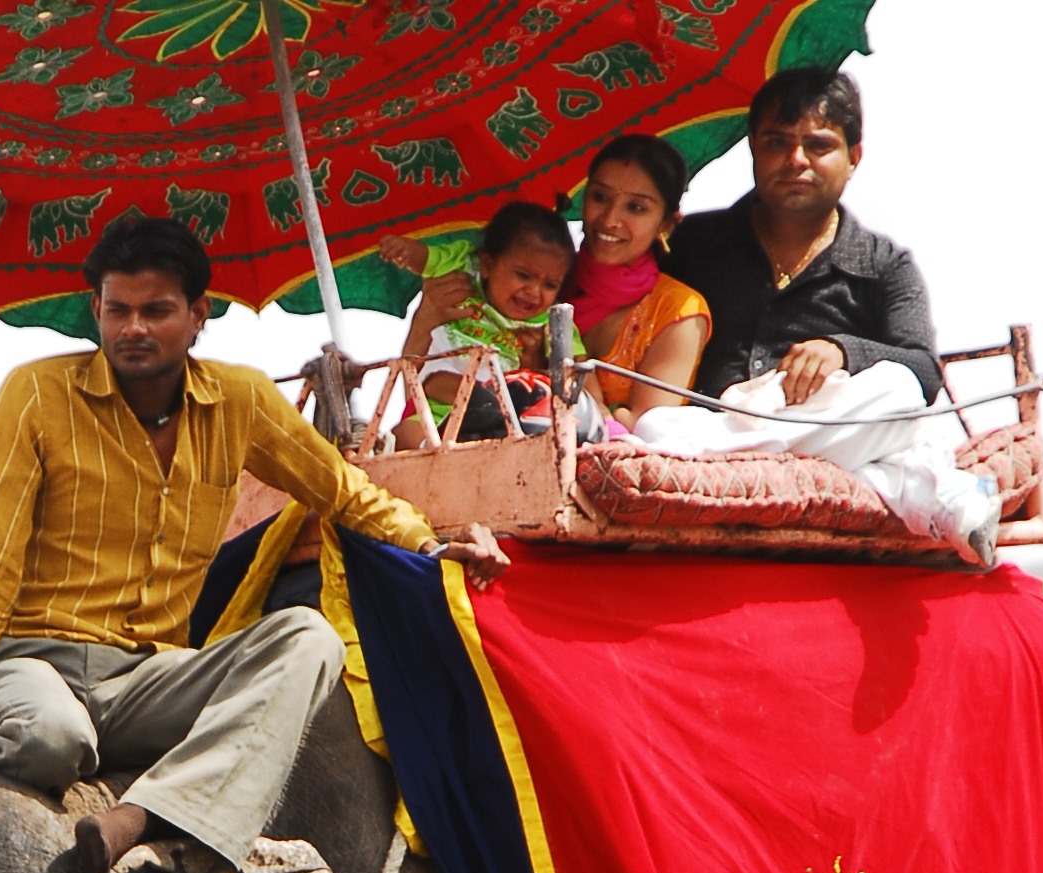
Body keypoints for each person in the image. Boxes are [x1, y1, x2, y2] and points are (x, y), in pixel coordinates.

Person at [0, 217, 508, 873]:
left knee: (308, 639)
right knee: (49, 742)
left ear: (198, 314)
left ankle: (147, 819)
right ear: (96, 310)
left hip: (150, 677)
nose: (132, 328)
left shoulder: (240, 399)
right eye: (116, 310)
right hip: (31, 662)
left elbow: (344, 493)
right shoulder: (36, 395)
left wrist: (429, 547)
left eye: (156, 310)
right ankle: (73, 764)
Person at [657, 67, 1000, 565]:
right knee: (656, 429)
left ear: (852, 157)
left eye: (818, 145)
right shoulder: (693, 245)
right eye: (777, 142)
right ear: (753, 148)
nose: (796, 160)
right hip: (712, 425)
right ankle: (917, 487)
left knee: (900, 393)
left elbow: (924, 373)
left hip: (762, 435)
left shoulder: (883, 265)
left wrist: (842, 351)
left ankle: (762, 450)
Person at [378, 202, 589, 444]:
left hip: (517, 423)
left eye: (550, 285)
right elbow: (430, 258)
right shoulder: (462, 270)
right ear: (487, 265)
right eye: (523, 275)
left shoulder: (553, 322)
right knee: (404, 434)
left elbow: (575, 380)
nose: (533, 291)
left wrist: (535, 364)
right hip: (443, 409)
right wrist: (404, 250)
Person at [562, 134, 710, 424]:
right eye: (600, 197)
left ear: (667, 224)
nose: (609, 220)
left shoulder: (678, 310)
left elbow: (645, 426)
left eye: (636, 208)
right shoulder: (546, 282)